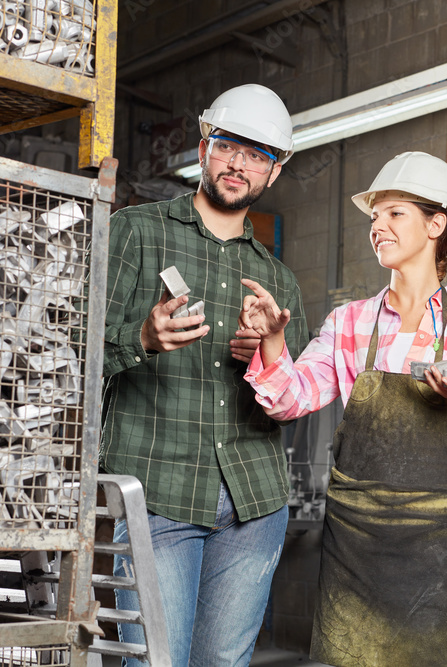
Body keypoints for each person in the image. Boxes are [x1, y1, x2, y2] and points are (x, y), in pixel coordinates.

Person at [232, 151, 447, 666]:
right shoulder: (349, 323)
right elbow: (290, 400)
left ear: (437, 224)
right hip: (355, 547)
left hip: (441, 547)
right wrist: (273, 344)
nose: (378, 227)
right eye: (374, 217)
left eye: (394, 214)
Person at [100, 84, 308, 666]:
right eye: (228, 146)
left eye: (258, 155)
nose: (239, 164)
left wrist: (268, 352)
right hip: (157, 495)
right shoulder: (135, 234)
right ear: (203, 146)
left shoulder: (278, 280)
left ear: (275, 170)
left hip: (253, 501)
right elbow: (73, 351)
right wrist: (140, 340)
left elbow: (296, 396)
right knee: (155, 661)